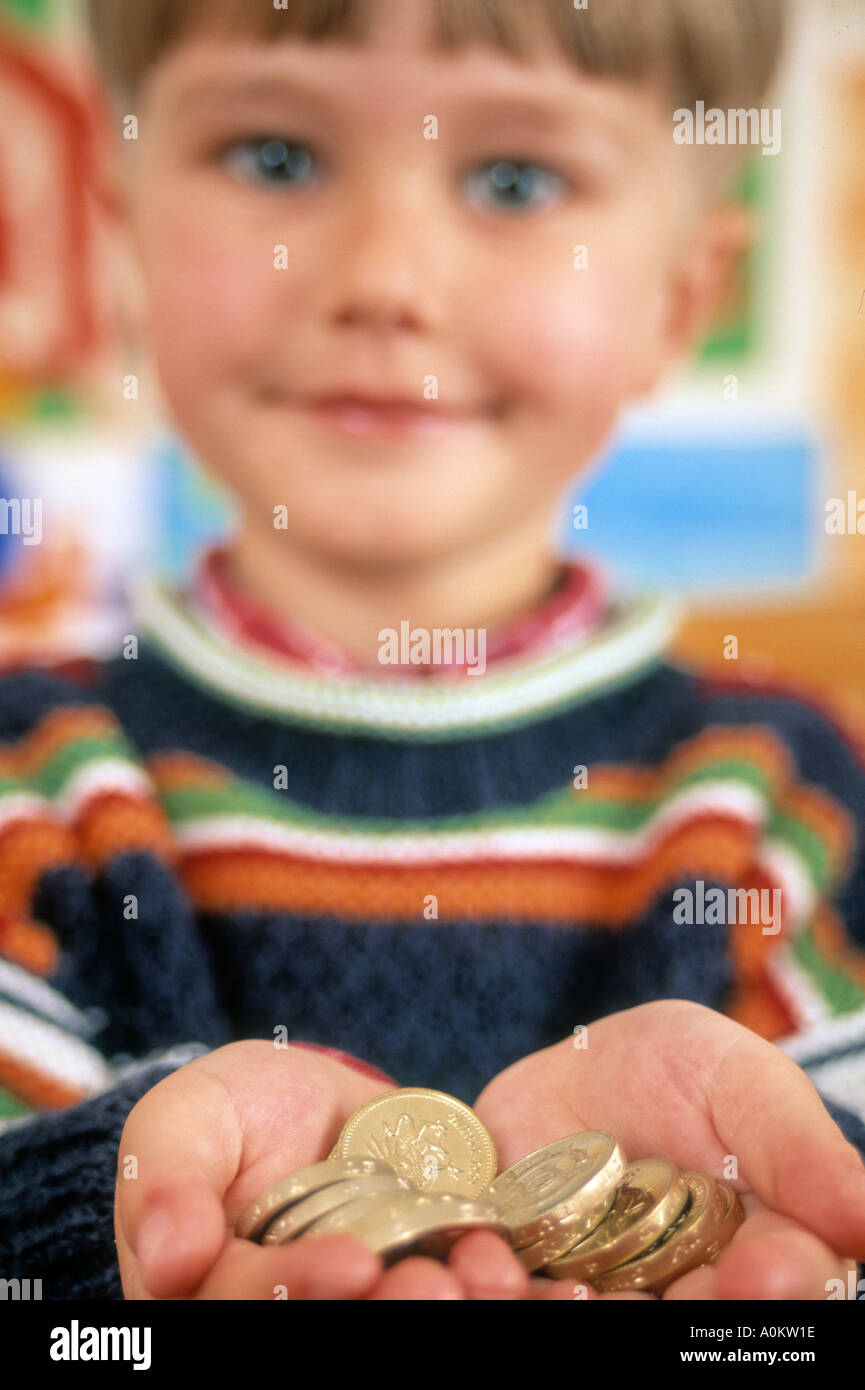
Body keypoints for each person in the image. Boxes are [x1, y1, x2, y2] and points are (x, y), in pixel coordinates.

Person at [1, 0, 864, 1302]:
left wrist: (792, 1234)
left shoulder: (778, 789)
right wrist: (114, 1214)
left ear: (678, 296)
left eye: (514, 179)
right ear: (124, 239)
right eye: (276, 158)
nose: (383, 278)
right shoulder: (31, 776)